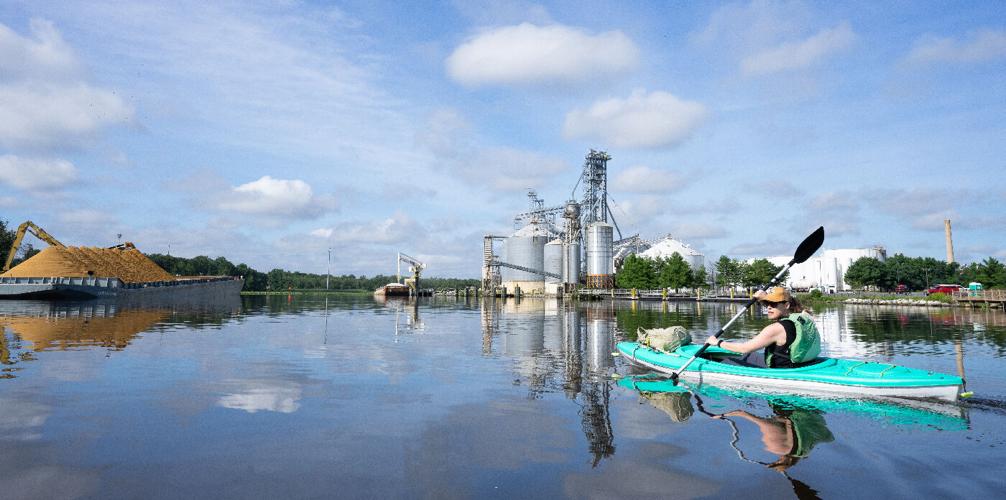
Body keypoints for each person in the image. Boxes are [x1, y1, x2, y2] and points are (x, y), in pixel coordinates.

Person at [705, 287, 822, 368]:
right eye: (767, 304)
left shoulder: (775, 328)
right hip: (800, 364)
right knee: (747, 356)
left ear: (786, 305)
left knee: (728, 361)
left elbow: (744, 348)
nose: (769, 308)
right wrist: (762, 297)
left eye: (774, 304)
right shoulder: (801, 317)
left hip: (782, 370)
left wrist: (718, 342)